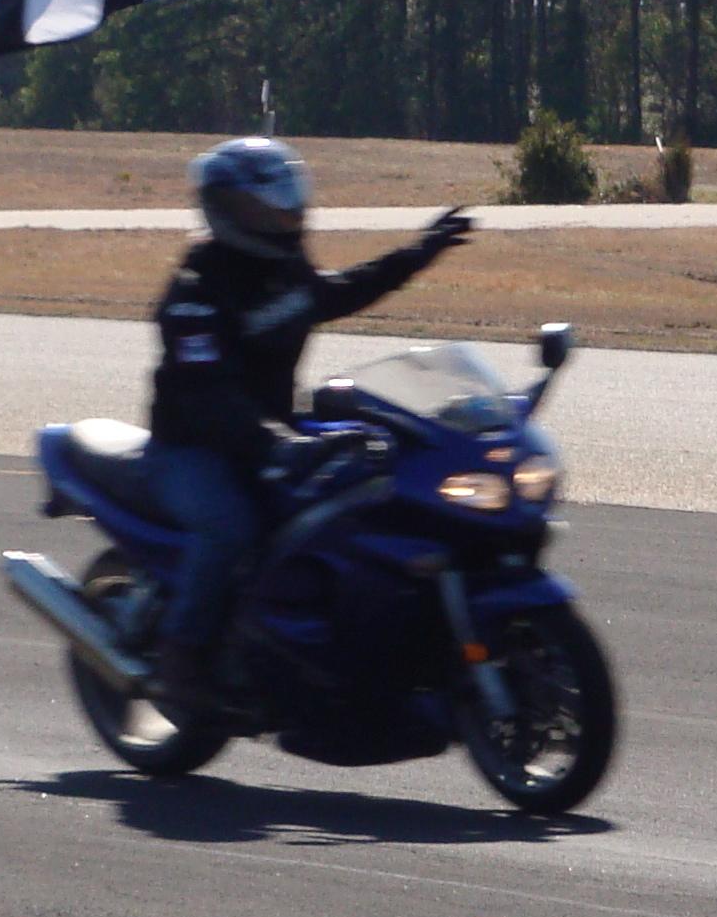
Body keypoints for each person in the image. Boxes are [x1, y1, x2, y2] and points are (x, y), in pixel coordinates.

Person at [143, 138, 474, 710]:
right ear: (225, 209)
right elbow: (211, 397)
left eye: (285, 198)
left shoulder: (281, 270)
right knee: (231, 530)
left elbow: (337, 292)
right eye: (261, 205)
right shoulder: (196, 292)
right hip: (195, 451)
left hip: (273, 437)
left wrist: (417, 254)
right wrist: (275, 443)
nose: (281, 213)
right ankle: (181, 655)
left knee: (371, 479)